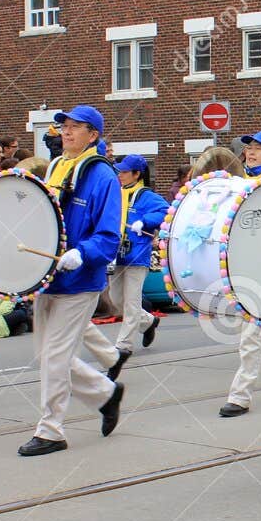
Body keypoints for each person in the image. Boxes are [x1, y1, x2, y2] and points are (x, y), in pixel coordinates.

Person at [18, 105, 125, 457]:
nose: (66, 132)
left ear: (93, 135)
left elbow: (109, 237)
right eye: (64, 126)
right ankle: (105, 393)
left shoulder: (103, 175)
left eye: (76, 127)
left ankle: (51, 430)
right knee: (46, 355)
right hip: (48, 278)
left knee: (55, 358)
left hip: (80, 280)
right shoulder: (57, 166)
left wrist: (82, 253)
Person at [83, 154, 167, 369]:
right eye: (118, 171)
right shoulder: (117, 194)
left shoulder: (146, 196)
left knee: (130, 301)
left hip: (137, 256)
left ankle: (124, 345)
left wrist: (145, 221)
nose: (119, 175)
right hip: (117, 254)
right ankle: (148, 321)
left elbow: (166, 210)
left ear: (137, 174)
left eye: (124, 172)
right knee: (116, 299)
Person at [217, 133, 261, 418]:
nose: (250, 153)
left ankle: (240, 395)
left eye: (259, 149)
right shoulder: (238, 184)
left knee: (252, 336)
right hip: (243, 269)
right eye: (249, 148)